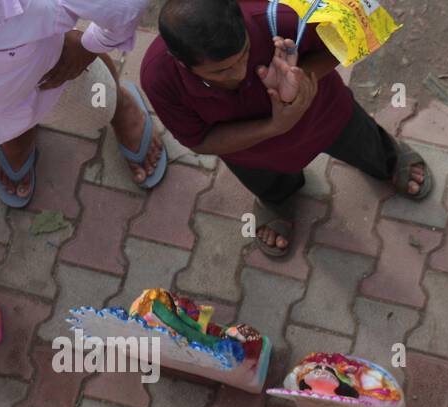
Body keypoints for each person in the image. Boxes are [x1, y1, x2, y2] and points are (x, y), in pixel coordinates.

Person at [141, 0, 430, 259]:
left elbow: (339, 44)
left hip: (325, 114)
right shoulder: (158, 78)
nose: (240, 72)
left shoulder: (279, 17)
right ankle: (278, 200)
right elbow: (200, 141)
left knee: (363, 142)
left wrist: (298, 77)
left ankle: (389, 161)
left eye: (245, 54)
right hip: (249, 153)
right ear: (181, 62)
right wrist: (275, 126)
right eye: (220, 71)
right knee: (268, 183)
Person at [0, 0, 166, 208]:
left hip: (48, 79)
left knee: (99, 105)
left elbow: (124, 6)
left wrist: (90, 46)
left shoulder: (39, 4)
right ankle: (16, 132)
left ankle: (120, 104)